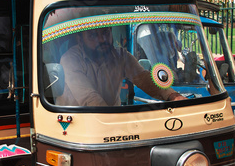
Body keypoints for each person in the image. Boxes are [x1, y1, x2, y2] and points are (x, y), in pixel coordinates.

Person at [57, 26, 186, 107]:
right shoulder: (70, 59)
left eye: (105, 32)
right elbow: (90, 99)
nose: (102, 39)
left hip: (111, 119)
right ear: (80, 39)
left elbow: (144, 78)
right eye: (93, 35)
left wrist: (173, 96)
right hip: (77, 123)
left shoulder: (121, 56)